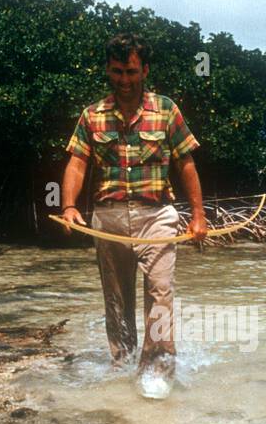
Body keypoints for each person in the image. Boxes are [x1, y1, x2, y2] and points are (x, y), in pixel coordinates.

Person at [59, 33, 208, 394]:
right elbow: (77, 164)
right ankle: (122, 364)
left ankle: (158, 369)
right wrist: (68, 206)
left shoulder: (167, 109)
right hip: (108, 217)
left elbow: (185, 163)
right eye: (116, 72)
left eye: (131, 71)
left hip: (157, 216)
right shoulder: (92, 115)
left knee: (160, 292)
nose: (124, 80)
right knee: (117, 299)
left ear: (145, 70)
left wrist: (198, 216)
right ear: (108, 72)